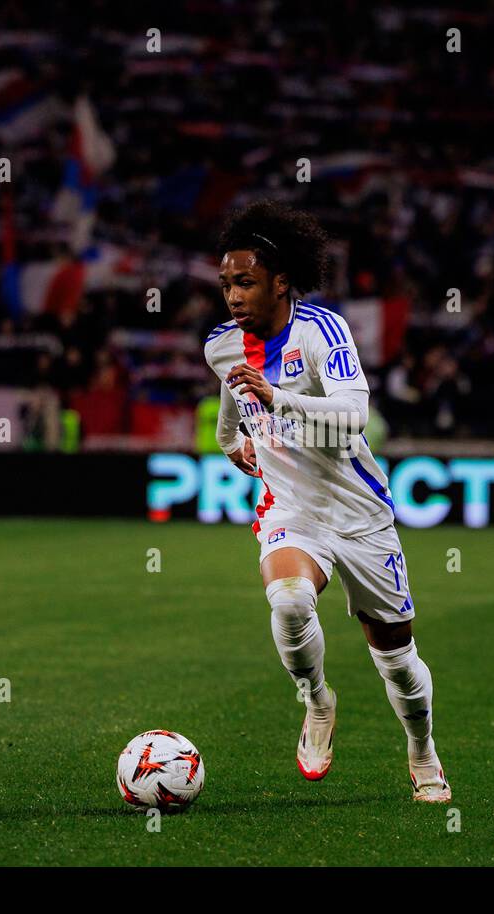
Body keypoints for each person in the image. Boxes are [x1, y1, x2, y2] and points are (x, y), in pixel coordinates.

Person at [203, 200, 450, 802]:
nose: (233, 296)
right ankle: (316, 699)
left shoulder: (322, 332)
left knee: (398, 661)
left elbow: (351, 418)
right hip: (292, 510)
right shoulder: (221, 346)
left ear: (280, 281)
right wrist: (233, 441)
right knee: (287, 603)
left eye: (246, 282)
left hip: (361, 516)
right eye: (226, 283)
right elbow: (232, 406)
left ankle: (423, 753)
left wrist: (279, 400)